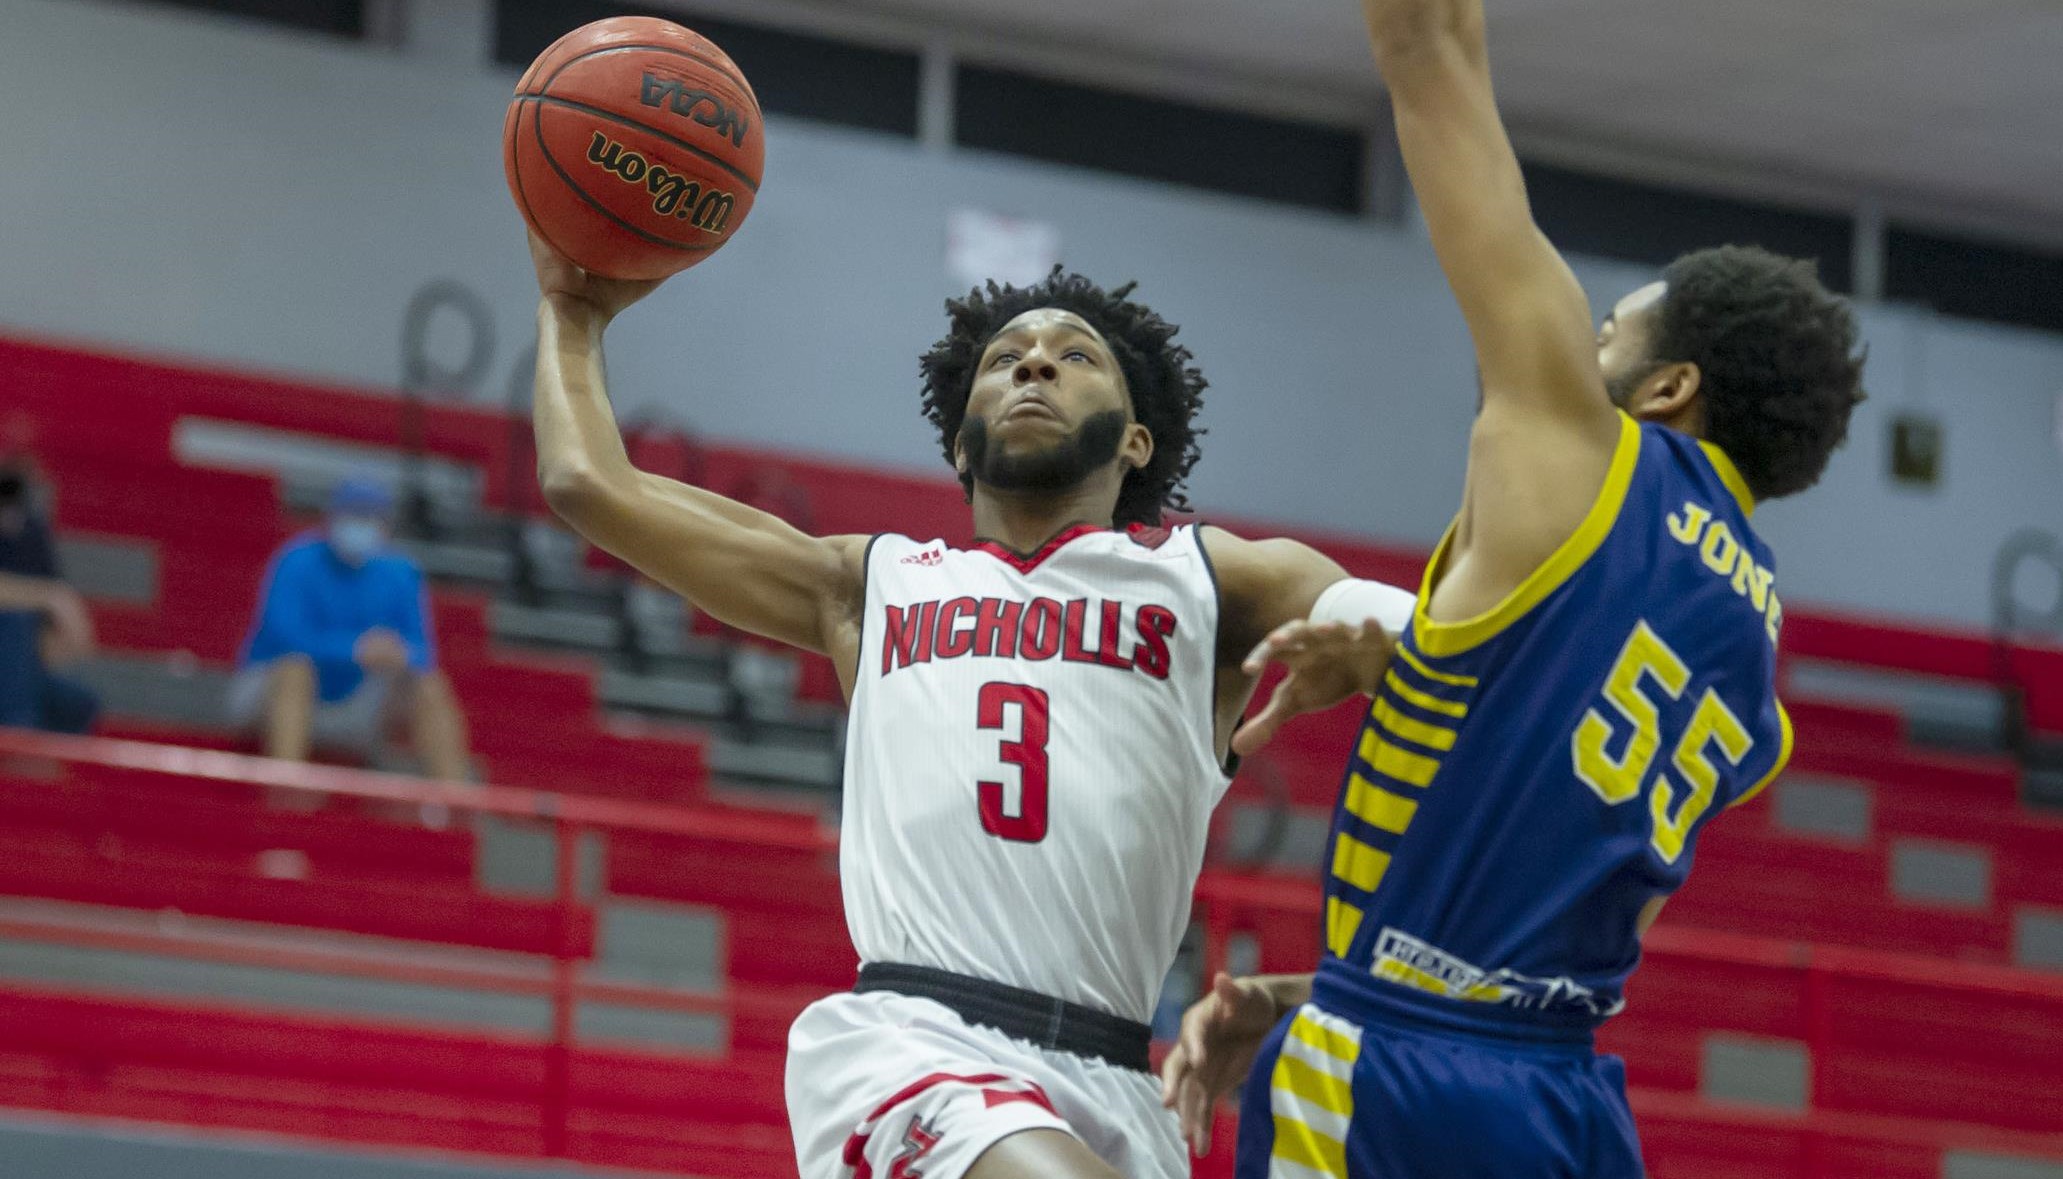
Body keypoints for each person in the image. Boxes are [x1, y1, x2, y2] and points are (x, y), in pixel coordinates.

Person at [528, 234, 1420, 1179]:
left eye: (1075, 357)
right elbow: (590, 484)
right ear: (961, 439)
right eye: (1004, 359)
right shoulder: (869, 584)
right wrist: (571, 314)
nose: (1034, 361)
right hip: (916, 1044)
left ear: (1135, 439)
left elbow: (1448, 653)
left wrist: (1386, 643)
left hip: (1119, 1078)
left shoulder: (1217, 579)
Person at [1157, 0, 1869, 1174]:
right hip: (1567, 1108)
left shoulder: (1585, 457)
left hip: (1391, 1069)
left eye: (1610, 332)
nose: (1581, 342)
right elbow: (1558, 875)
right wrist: (1406, 640)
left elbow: (1425, 43)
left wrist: (1347, 1007)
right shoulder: (1755, 687)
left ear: (1667, 387)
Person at [229, 477, 471, 780]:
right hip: (270, 695)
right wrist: (354, 649)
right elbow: (283, 637)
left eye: (371, 517)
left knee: (429, 686)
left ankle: (457, 804)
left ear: (385, 527)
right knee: (295, 671)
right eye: (353, 514)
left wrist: (397, 654)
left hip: (359, 702)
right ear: (330, 519)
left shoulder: (401, 574)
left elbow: (423, 652)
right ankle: (286, 798)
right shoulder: (295, 561)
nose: (361, 524)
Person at [0, 451, 100, 734]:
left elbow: (67, 636)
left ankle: (35, 771)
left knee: (77, 704)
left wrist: (52, 642)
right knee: (14, 625)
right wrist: (49, 596)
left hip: (19, 669)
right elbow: (54, 596)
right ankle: (17, 744)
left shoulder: (30, 532)